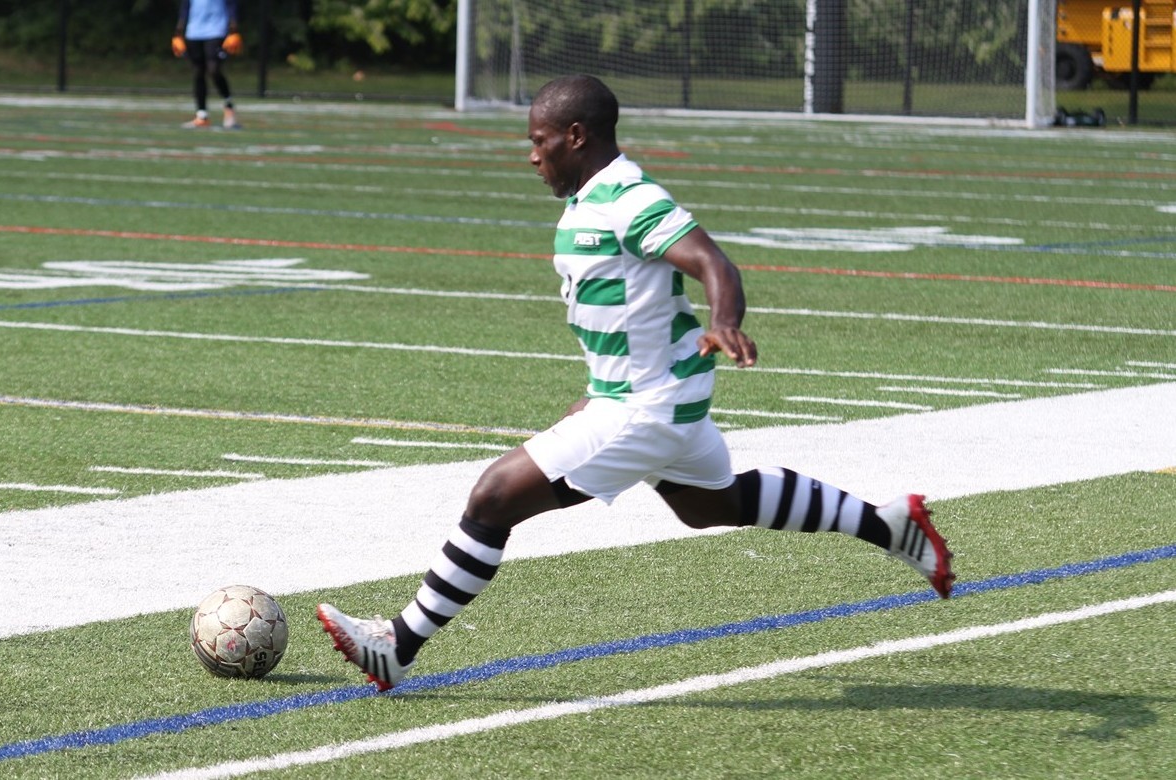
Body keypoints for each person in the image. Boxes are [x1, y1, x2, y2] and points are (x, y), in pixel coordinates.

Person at [317, 74, 955, 691]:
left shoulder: (628, 199)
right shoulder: (591, 201)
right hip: (656, 400)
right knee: (714, 505)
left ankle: (398, 646)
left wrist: (724, 322)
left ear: (575, 135)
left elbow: (712, 261)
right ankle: (890, 526)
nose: (530, 156)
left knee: (493, 498)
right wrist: (601, 391)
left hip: (647, 408)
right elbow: (631, 310)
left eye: (538, 142)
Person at [172, 0, 243, 129]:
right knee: (198, 72)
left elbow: (232, 4)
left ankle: (229, 106)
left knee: (214, 70)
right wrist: (178, 31)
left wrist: (233, 28)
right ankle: (202, 115)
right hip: (193, 32)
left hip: (217, 31)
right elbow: (185, 7)